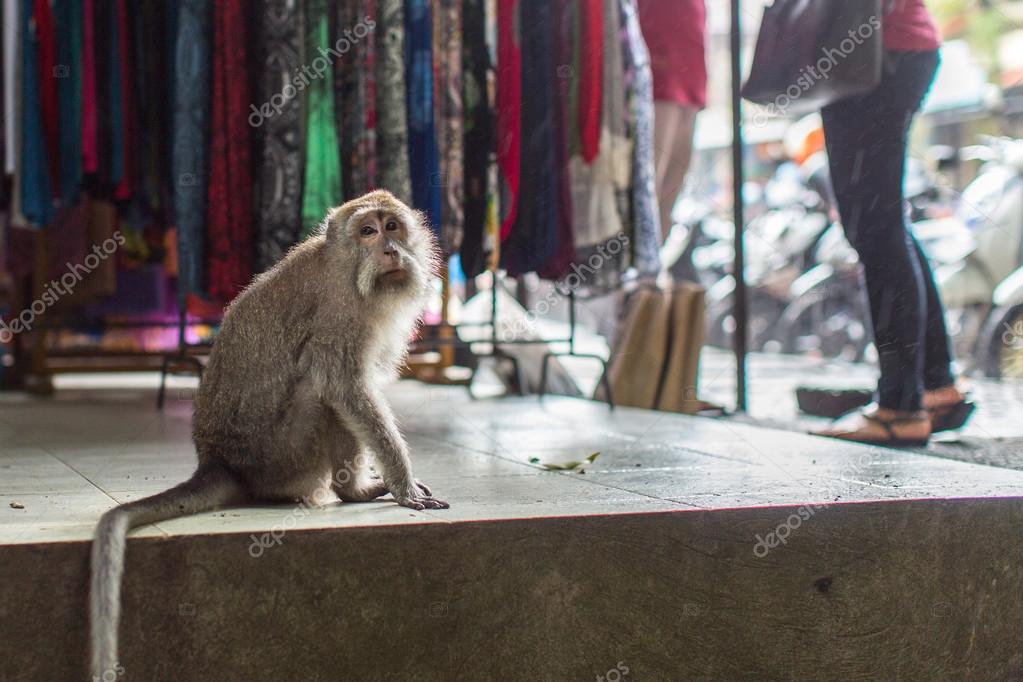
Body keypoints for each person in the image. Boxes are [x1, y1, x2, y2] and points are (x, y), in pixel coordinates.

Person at [815, 0, 974, 446]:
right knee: (882, 225)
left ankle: (900, 407)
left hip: (874, 53)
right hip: (893, 47)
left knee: (873, 227)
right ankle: (934, 385)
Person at [637, 0, 707, 243]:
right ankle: (639, 271)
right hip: (657, 63)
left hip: (691, 62)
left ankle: (654, 268)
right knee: (649, 184)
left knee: (673, 185)